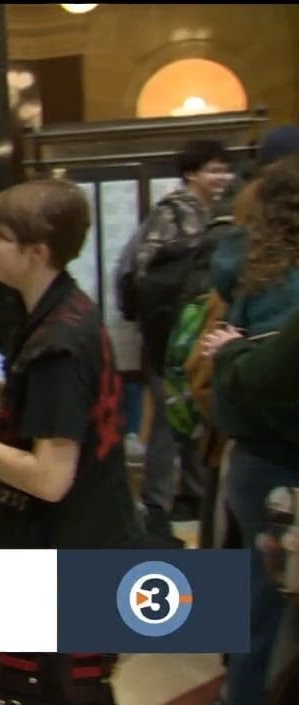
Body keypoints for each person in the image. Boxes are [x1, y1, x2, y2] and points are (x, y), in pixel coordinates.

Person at [0, 179, 141, 705]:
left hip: (63, 557)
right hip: (79, 546)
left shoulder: (59, 342)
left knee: (48, 697)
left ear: (37, 252)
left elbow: (49, 475)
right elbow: (50, 411)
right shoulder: (64, 313)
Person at [199, 154, 299, 705]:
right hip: (281, 456)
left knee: (253, 607)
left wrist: (231, 352)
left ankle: (239, 700)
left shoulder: (252, 269)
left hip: (254, 455)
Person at [117, 140, 233, 540]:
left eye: (224, 170)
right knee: (169, 414)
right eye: (213, 170)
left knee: (186, 410)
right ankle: (158, 501)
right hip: (170, 330)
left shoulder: (212, 215)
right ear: (191, 173)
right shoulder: (174, 214)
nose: (221, 178)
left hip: (187, 328)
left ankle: (188, 493)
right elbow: (145, 273)